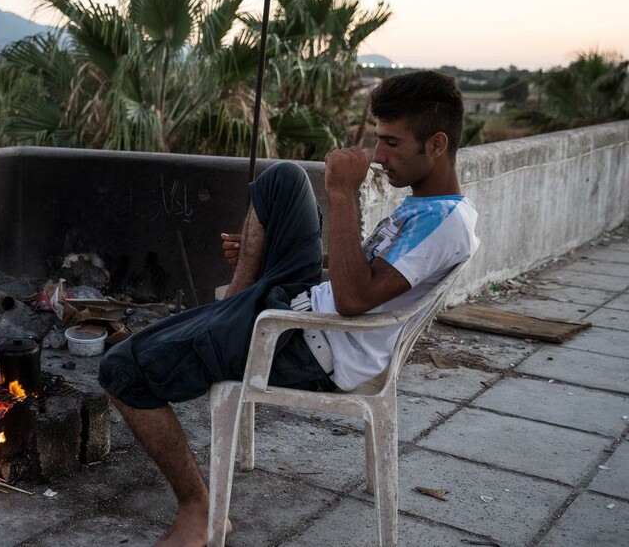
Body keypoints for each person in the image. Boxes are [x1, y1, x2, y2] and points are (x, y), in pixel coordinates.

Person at [98, 71, 480, 547]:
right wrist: (264, 253)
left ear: (437, 144)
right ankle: (236, 306)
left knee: (121, 370)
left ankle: (199, 510)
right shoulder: (428, 207)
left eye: (391, 143)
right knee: (284, 178)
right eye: (378, 141)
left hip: (304, 343)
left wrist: (342, 193)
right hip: (304, 304)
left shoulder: (442, 224)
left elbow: (354, 300)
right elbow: (355, 277)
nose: (379, 157)